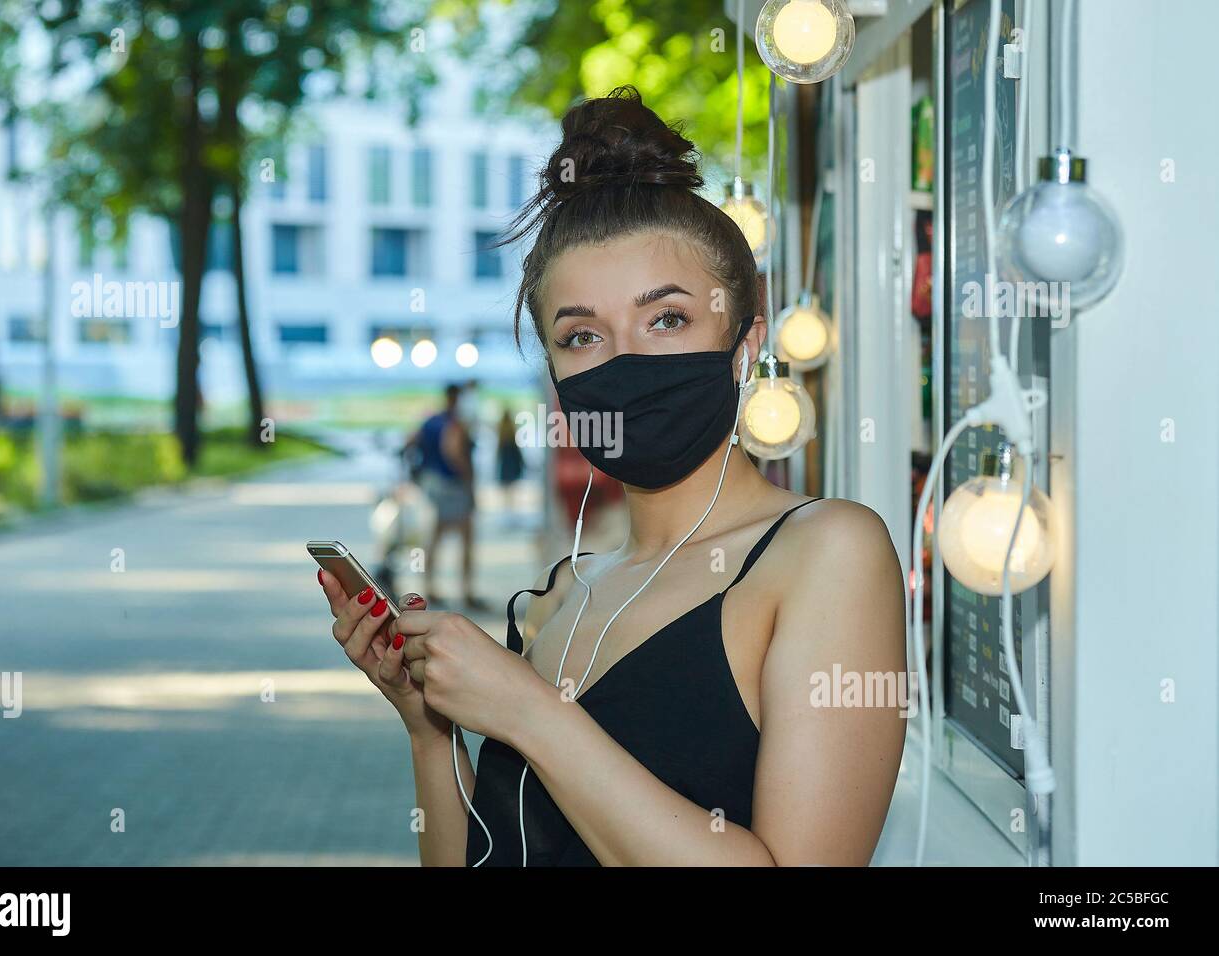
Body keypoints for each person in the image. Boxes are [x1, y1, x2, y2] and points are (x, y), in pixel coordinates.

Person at [319, 87, 906, 866]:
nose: (625, 361)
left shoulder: (827, 551)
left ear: (743, 341)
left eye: (666, 320)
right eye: (583, 334)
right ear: (554, 373)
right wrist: (430, 729)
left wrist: (529, 711)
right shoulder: (559, 596)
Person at [405, 384, 487, 613]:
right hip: (452, 485)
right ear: (457, 398)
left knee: (434, 537)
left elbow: (409, 442)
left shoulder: (430, 421)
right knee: (466, 537)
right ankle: (466, 591)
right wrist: (469, 479)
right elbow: (453, 451)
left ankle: (428, 587)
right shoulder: (455, 423)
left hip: (431, 483)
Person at [494, 406, 525, 525]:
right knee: (511, 488)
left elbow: (499, 448)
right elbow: (517, 447)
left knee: (507, 488)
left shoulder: (502, 429)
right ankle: (511, 509)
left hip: (506, 460)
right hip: (511, 460)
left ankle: (507, 509)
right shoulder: (511, 428)